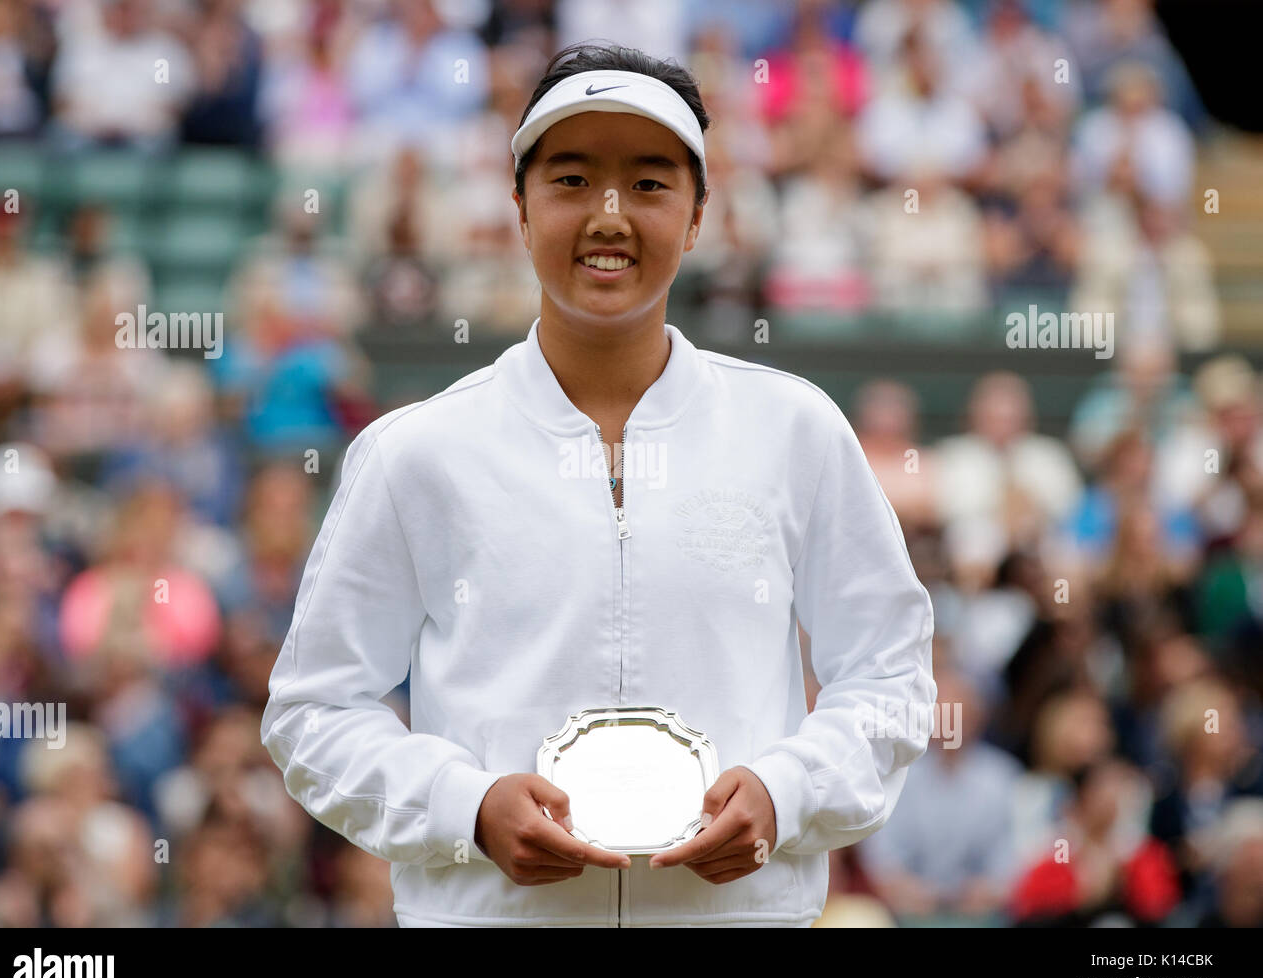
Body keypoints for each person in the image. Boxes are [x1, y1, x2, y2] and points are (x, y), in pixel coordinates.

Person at [260, 42, 936, 928]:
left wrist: (785, 794)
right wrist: (463, 809)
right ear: (519, 206)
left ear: (698, 216)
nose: (610, 216)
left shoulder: (794, 429)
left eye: (650, 184)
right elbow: (314, 712)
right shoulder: (417, 452)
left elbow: (890, 679)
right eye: (572, 180)